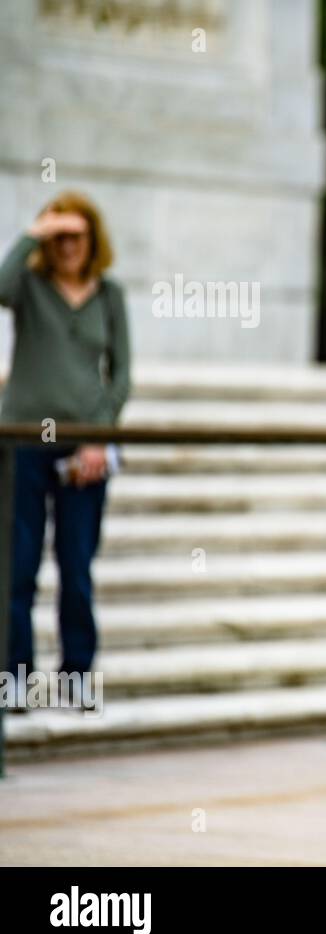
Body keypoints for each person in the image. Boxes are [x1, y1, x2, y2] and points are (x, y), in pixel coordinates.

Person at [0, 191, 131, 708]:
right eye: (59, 237)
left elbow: (121, 376)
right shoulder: (29, 285)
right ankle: (13, 682)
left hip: (84, 448)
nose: (68, 246)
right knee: (17, 565)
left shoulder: (110, 295)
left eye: (76, 236)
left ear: (92, 239)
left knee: (76, 565)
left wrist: (101, 437)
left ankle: (77, 681)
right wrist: (34, 231)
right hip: (23, 441)